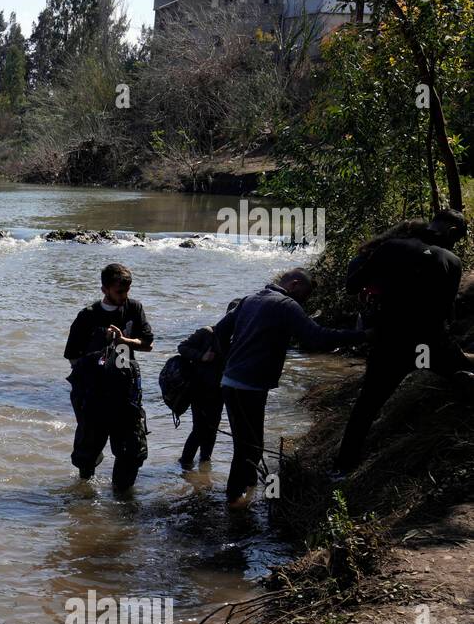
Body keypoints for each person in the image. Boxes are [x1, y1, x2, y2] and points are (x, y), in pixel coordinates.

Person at [214, 269, 365, 509]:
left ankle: (249, 494)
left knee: (251, 444)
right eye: (304, 296)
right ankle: (233, 503)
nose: (303, 302)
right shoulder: (286, 305)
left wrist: (229, 362)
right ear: (294, 285)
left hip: (233, 382)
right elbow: (317, 337)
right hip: (247, 386)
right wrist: (362, 336)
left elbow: (219, 332)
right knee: (248, 447)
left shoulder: (250, 298)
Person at [335, 210, 474, 471]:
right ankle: (461, 378)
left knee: (366, 408)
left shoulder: (392, 246)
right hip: (431, 342)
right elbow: (449, 314)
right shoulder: (452, 260)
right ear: (452, 233)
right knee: (460, 368)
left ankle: (341, 468)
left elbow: (353, 285)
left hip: (390, 341)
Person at [64, 263, 154, 491]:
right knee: (87, 452)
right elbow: (72, 357)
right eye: (119, 292)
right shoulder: (87, 316)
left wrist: (125, 341)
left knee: (132, 452)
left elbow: (147, 344)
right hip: (94, 395)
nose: (124, 296)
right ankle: (84, 499)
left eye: (127, 291)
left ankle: (122, 501)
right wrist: (98, 357)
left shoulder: (134, 308)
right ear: (105, 289)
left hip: (126, 394)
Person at [178, 298, 241, 468]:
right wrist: (201, 356)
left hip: (221, 392)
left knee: (212, 429)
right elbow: (182, 347)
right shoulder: (207, 333)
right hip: (199, 389)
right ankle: (185, 463)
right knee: (199, 429)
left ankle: (205, 462)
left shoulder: (239, 340)